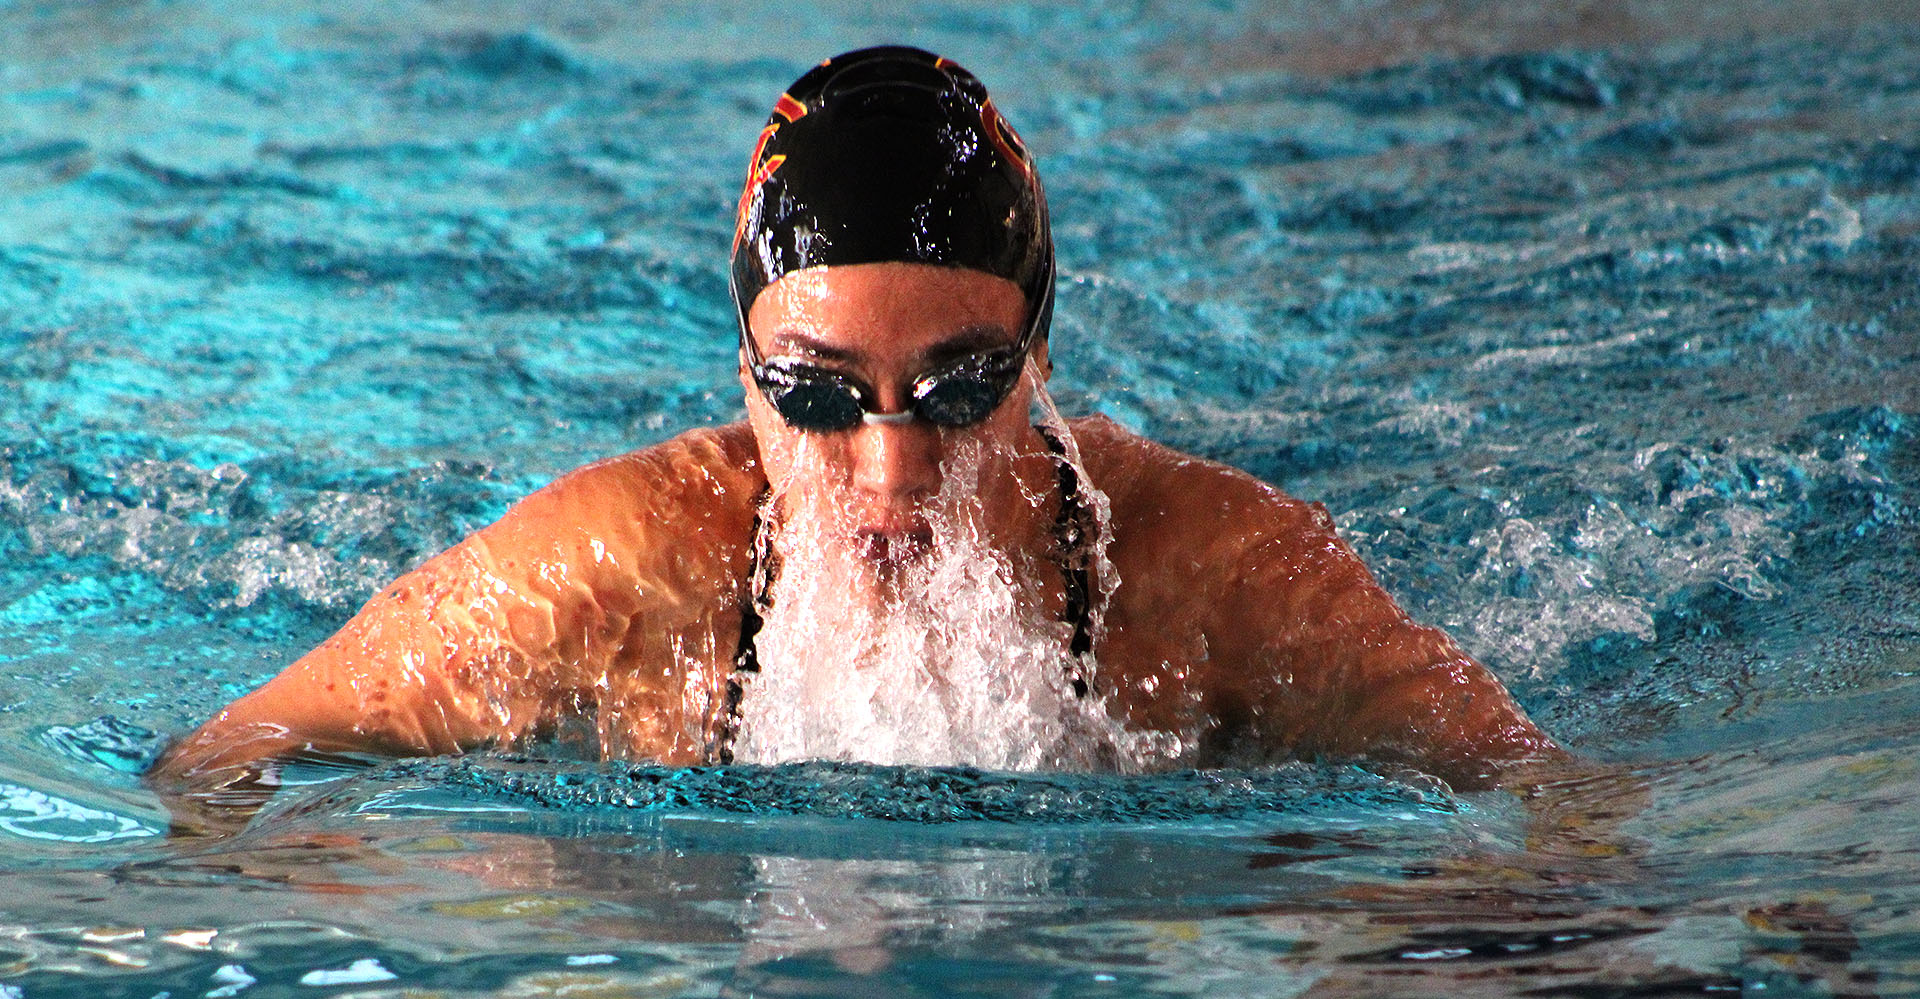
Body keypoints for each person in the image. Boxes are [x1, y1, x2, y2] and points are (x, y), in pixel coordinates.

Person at [152, 45, 1561, 806]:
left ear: (1041, 355)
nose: (892, 468)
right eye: (817, 398)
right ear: (743, 372)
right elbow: (230, 757)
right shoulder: (604, 570)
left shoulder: (1216, 576)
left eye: (960, 390)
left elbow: (1529, 796)